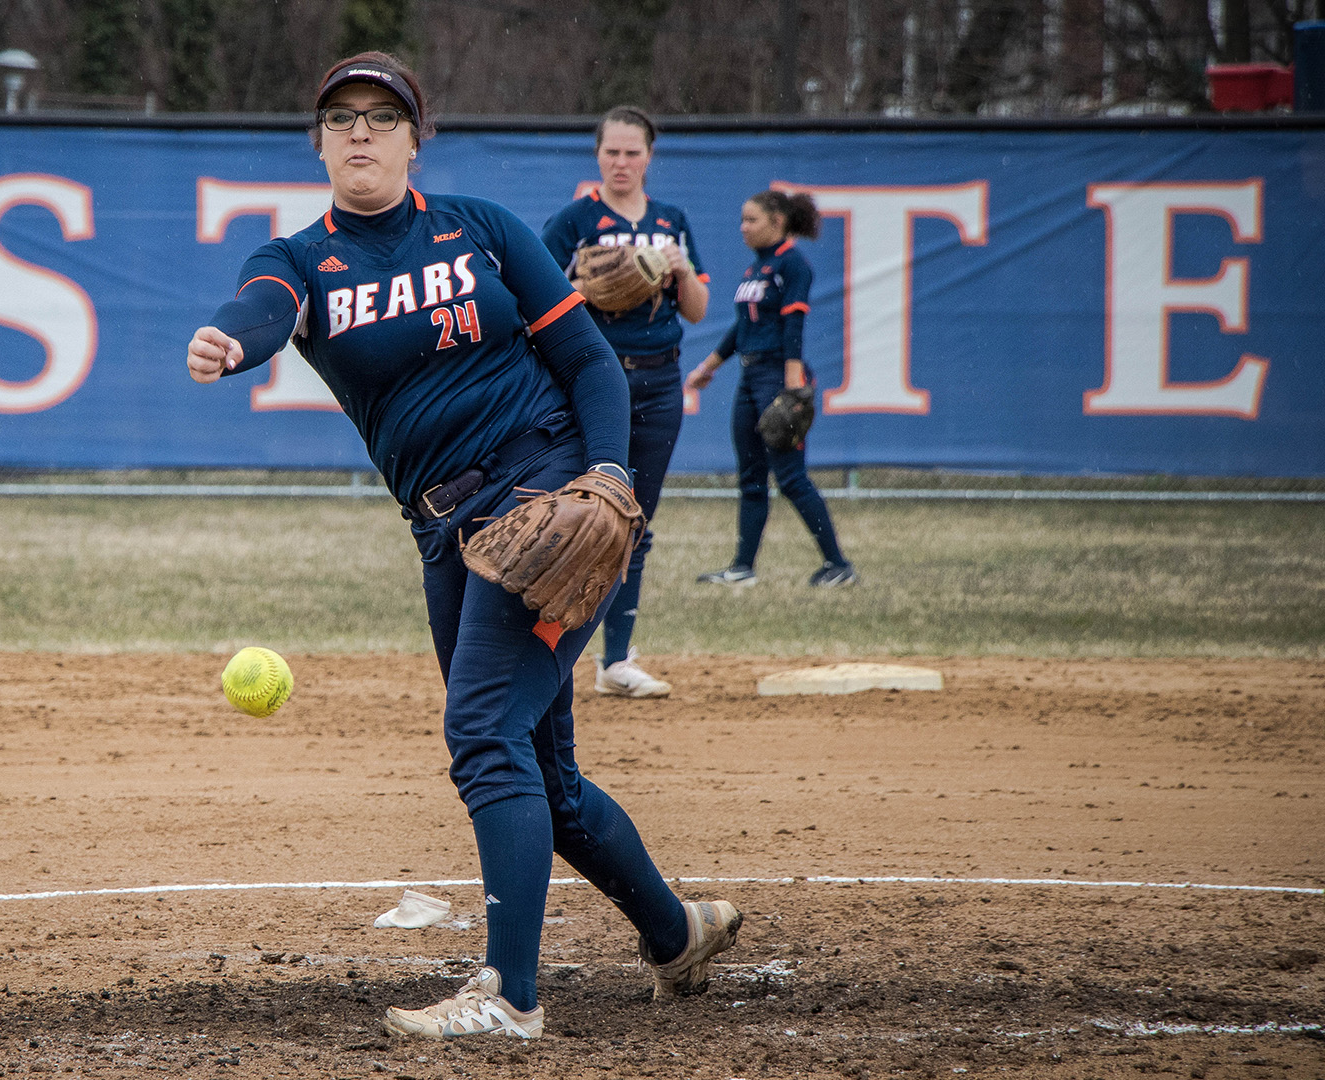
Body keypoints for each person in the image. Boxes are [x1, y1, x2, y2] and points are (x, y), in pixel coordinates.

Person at [185, 53, 741, 1041]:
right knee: (543, 778)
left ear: (413, 136)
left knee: (484, 733)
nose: (360, 131)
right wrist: (231, 339)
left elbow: (586, 360)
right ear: (318, 143)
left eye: (381, 116)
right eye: (341, 117)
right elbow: (264, 310)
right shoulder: (299, 259)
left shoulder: (478, 228)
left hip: (549, 500)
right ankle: (674, 933)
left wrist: (609, 478)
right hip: (447, 534)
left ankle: (512, 998)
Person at [541, 105, 710, 700]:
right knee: (584, 517)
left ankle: (616, 661)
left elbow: (696, 311)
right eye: (611, 151)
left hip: (661, 381)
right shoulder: (576, 219)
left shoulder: (672, 221)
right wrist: (591, 287)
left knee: (637, 525)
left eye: (632, 152)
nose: (621, 162)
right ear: (598, 155)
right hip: (595, 377)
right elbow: (533, 299)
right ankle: (547, 652)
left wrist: (681, 270)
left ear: (649, 156)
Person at [687, 190, 857, 588]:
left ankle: (838, 565)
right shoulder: (757, 268)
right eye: (742, 220)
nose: (743, 228)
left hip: (778, 378)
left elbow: (793, 325)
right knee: (751, 476)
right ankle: (742, 568)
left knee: (791, 477)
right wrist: (708, 367)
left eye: (752, 220)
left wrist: (793, 384)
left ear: (777, 221)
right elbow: (743, 328)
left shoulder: (792, 265)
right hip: (750, 378)